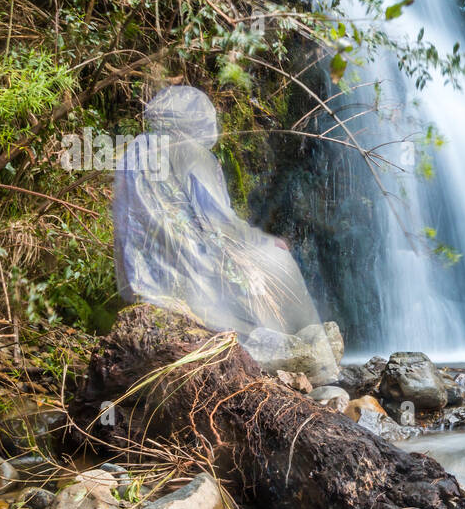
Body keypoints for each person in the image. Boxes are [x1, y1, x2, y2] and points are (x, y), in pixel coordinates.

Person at [113, 85, 334, 368]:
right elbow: (219, 222)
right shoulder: (192, 153)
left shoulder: (134, 150)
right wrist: (263, 243)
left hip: (142, 274)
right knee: (279, 263)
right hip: (190, 265)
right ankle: (314, 359)